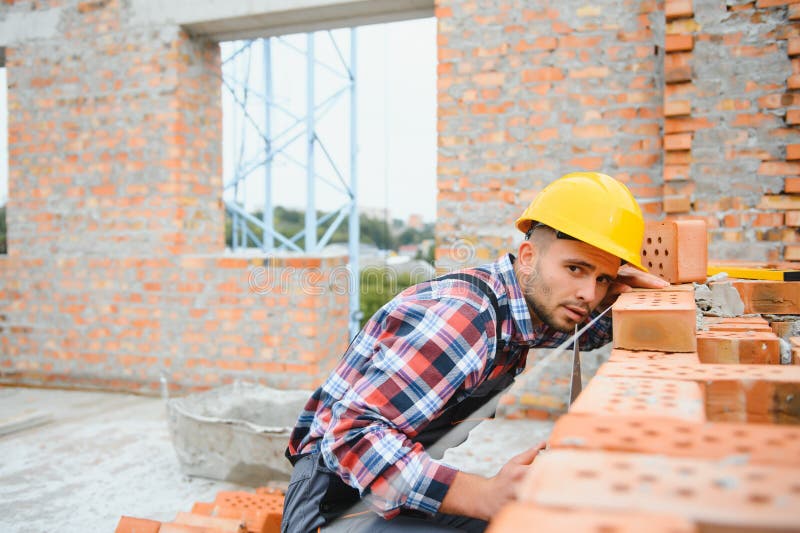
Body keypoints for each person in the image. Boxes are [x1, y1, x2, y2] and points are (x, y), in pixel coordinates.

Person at [281, 172, 669, 532]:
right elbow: (353, 436)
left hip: (383, 496)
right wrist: (484, 494)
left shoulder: (523, 314)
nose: (589, 293)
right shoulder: (465, 318)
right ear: (529, 257)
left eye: (602, 278)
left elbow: (588, 331)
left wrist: (649, 295)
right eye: (575, 269)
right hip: (331, 507)